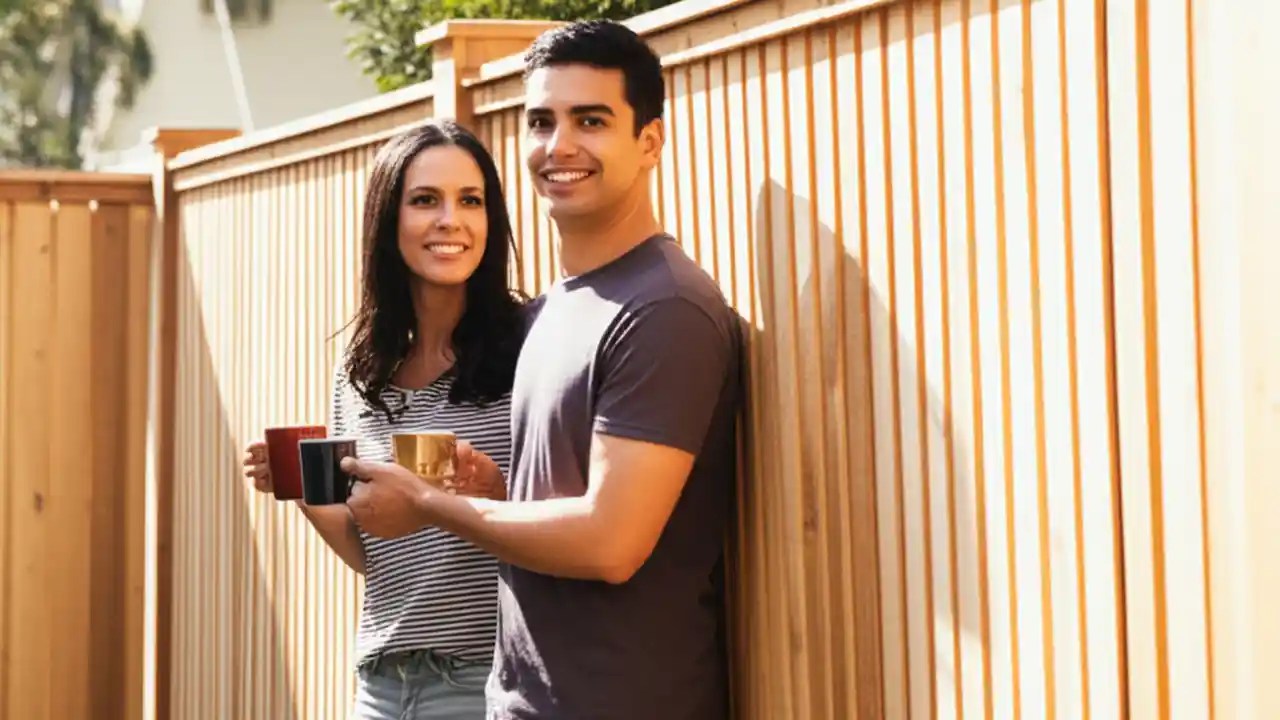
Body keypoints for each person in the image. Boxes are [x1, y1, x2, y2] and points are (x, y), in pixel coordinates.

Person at [341, 21, 742, 720]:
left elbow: (611, 543)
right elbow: (561, 508)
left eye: (591, 120)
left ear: (650, 141)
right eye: (540, 121)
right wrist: (496, 488)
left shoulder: (664, 308)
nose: (558, 147)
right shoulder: (553, 309)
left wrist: (435, 504)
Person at [241, 120, 526, 719]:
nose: (451, 219)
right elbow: (383, 555)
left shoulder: (528, 348)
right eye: (425, 200)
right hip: (381, 683)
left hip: (485, 680)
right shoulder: (364, 370)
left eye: (470, 200)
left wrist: (490, 489)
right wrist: (302, 488)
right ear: (386, 219)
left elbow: (563, 516)